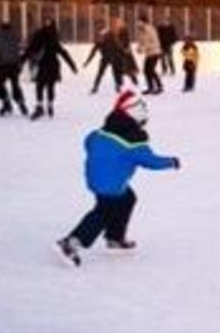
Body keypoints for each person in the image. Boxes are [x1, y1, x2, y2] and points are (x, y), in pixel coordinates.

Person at [54, 90, 181, 268]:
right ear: (135, 114)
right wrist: (172, 162)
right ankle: (71, 243)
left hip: (96, 179)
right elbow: (150, 161)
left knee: (127, 199)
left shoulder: (103, 130)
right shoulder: (133, 141)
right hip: (111, 185)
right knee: (104, 213)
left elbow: (89, 141)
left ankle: (115, 238)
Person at [22, 18, 78, 120]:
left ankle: (42, 106)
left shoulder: (42, 36)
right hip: (51, 66)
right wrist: (72, 65)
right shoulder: (53, 37)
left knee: (41, 85)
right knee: (48, 86)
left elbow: (31, 49)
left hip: (46, 65)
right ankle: (47, 106)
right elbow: (62, 52)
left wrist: (22, 59)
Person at [0, 21, 28, 117]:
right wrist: (21, 62)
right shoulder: (16, 36)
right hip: (15, 65)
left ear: (1, 28)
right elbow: (25, 49)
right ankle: (21, 102)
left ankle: (6, 102)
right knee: (15, 84)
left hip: (3, 65)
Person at [85, 24, 122, 94]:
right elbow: (93, 52)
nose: (100, 38)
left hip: (114, 57)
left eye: (101, 36)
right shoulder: (99, 42)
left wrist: (122, 56)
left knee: (115, 72)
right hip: (105, 58)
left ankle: (118, 86)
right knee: (100, 73)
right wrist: (87, 61)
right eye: (99, 36)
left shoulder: (112, 38)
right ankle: (95, 87)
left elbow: (119, 47)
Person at [136, 17, 164, 95]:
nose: (138, 25)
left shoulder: (150, 30)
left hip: (155, 52)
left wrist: (144, 47)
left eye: (140, 23)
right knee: (146, 70)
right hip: (148, 53)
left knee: (151, 70)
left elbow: (155, 42)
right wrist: (139, 47)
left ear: (144, 23)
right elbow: (141, 41)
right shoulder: (141, 31)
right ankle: (150, 87)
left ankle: (159, 86)